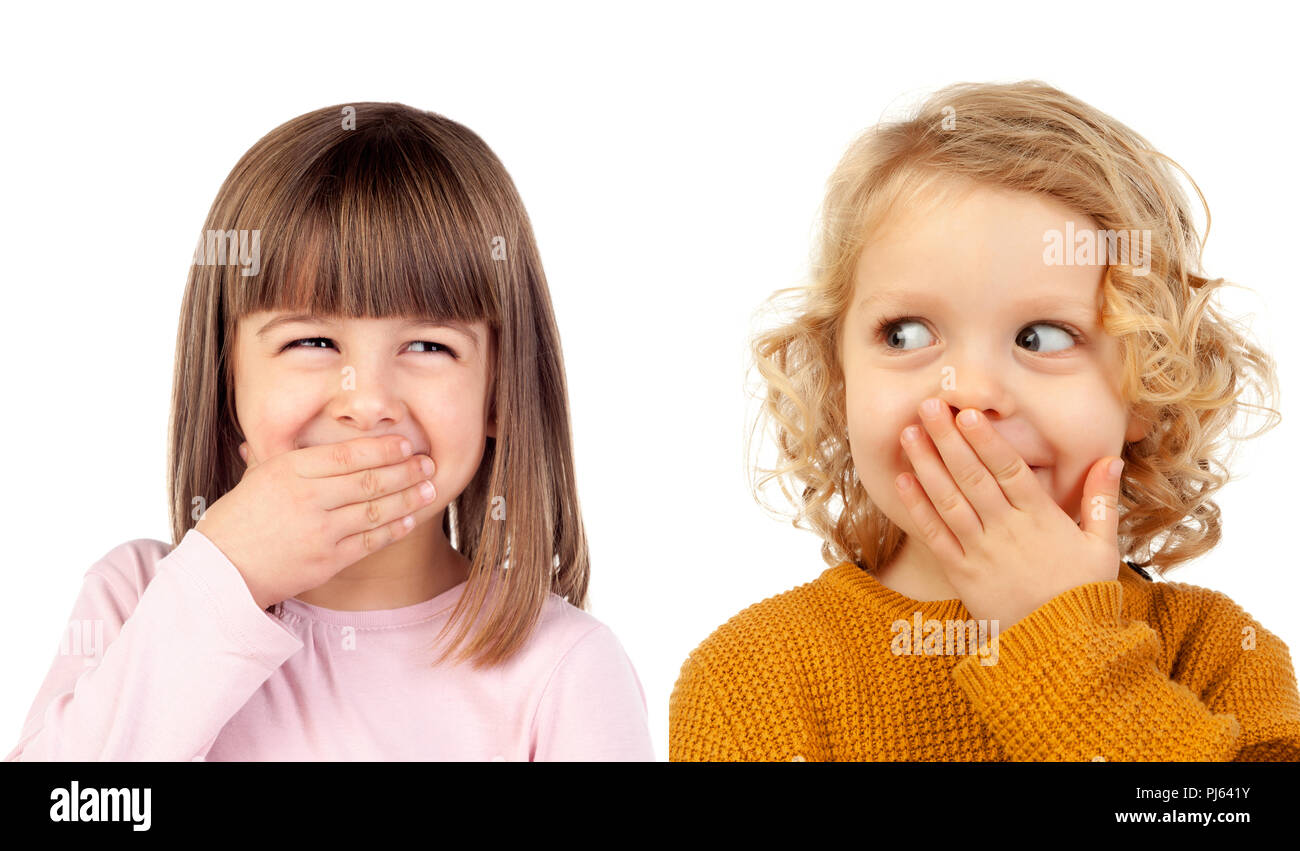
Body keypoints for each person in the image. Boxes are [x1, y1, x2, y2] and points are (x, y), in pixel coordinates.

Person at [670, 80, 1300, 761]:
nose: (970, 391)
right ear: (838, 374)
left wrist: (1063, 645)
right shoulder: (749, 681)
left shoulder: (1217, 655)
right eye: (907, 334)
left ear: (1149, 384)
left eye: (1043, 336)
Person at [8, 102, 653, 761]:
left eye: (429, 346)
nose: (367, 401)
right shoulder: (137, 599)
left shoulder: (565, 668)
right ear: (228, 378)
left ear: (500, 393)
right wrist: (223, 576)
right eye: (313, 340)